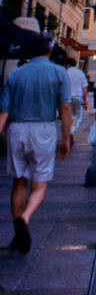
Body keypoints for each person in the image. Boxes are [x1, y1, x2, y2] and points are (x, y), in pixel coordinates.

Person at [0, 33, 71, 254]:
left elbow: (4, 111)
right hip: (44, 130)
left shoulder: (16, 74)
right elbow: (65, 108)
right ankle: (25, 218)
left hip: (16, 129)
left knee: (19, 182)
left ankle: (17, 233)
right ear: (50, 49)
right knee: (39, 185)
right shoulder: (59, 73)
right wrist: (65, 137)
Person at [64, 57, 89, 145]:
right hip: (77, 97)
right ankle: (72, 131)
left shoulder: (65, 73)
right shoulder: (80, 73)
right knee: (77, 117)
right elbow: (84, 88)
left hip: (66, 98)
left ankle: (67, 132)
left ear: (67, 65)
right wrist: (85, 100)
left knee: (67, 117)